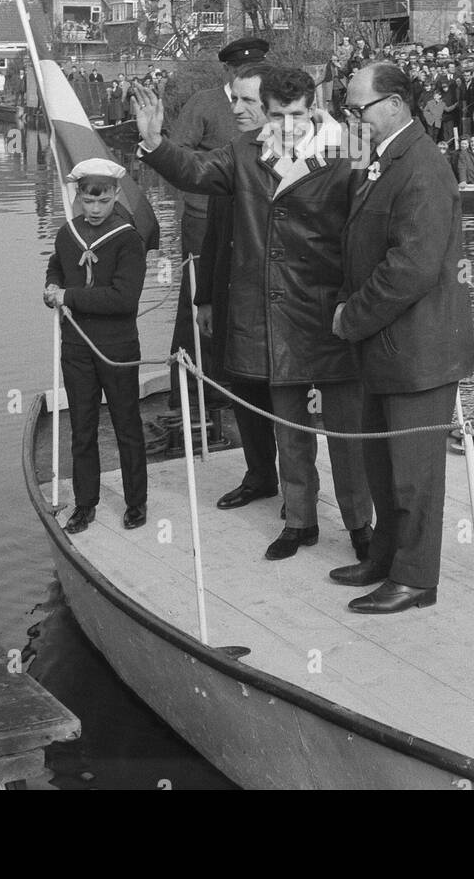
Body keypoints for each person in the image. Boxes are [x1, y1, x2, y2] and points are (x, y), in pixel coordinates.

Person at [133, 68, 373, 564]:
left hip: (334, 317)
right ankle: (299, 520)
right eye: (279, 115)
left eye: (298, 115)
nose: (288, 125)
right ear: (265, 109)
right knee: (290, 431)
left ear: (316, 105)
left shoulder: (352, 148)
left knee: (348, 435)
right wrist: (154, 141)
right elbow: (193, 171)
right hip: (275, 318)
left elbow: (373, 228)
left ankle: (360, 526)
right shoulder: (245, 152)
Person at [332, 62, 474, 614]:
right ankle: (386, 558)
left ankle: (416, 579)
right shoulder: (387, 160)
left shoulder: (423, 169)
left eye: (356, 107)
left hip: (418, 350)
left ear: (392, 105)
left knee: (414, 474)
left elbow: (410, 268)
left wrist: (350, 317)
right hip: (387, 346)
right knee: (383, 464)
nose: (351, 117)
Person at [163, 37, 270, 424]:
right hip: (205, 215)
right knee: (199, 300)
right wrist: (219, 169)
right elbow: (177, 152)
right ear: (227, 71)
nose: (247, 77)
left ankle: (236, 385)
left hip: (251, 217)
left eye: (254, 70)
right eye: (240, 71)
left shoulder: (270, 103)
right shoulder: (204, 103)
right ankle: (192, 393)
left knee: (245, 300)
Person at [44, 158, 149, 534]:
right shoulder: (67, 233)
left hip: (116, 348)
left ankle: (137, 502)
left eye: (102, 201)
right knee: (82, 428)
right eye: (88, 201)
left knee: (126, 424)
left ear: (115, 195)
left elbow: (124, 300)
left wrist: (69, 295)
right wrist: (51, 288)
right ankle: (85, 504)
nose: (94, 209)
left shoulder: (128, 239)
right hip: (76, 348)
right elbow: (56, 266)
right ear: (78, 196)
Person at [193, 66, 279, 511]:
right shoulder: (231, 154)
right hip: (233, 297)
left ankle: (300, 491)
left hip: (276, 304)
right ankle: (260, 475)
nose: (237, 108)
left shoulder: (298, 157)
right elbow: (213, 233)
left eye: (247, 101)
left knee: (285, 400)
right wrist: (204, 297)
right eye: (235, 99)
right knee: (245, 390)